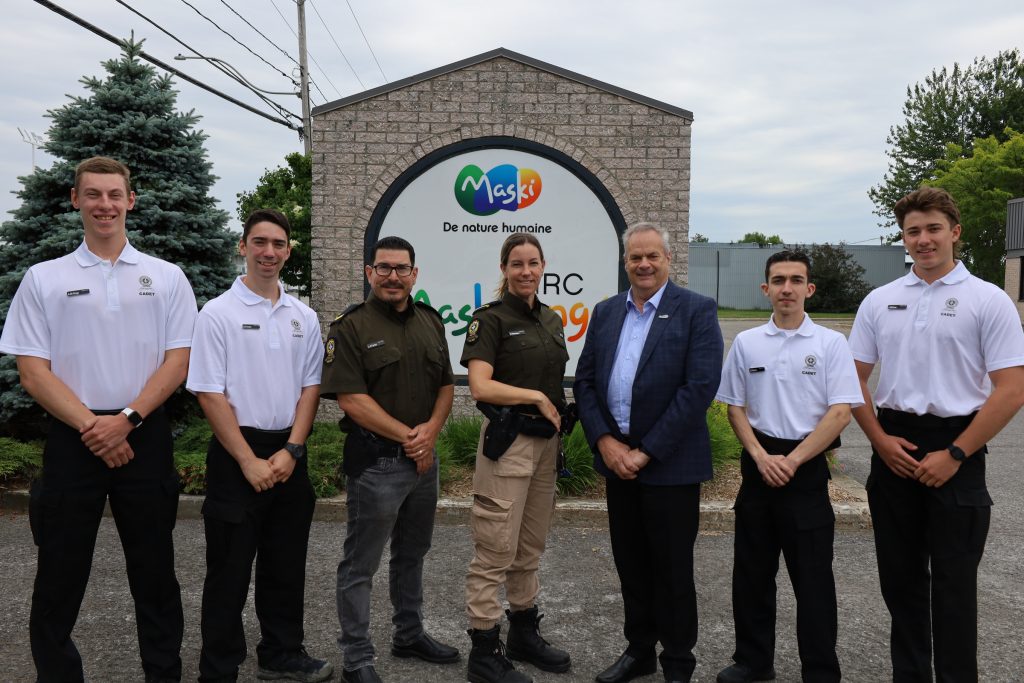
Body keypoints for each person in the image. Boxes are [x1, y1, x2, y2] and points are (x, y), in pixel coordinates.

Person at [0, 156, 196, 683]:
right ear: (75, 200)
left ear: (131, 201)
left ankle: (163, 675)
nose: (104, 205)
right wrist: (95, 426)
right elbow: (33, 372)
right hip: (73, 438)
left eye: (114, 195)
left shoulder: (168, 277)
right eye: (93, 195)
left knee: (155, 576)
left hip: (144, 434)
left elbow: (177, 361)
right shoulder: (45, 278)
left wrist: (127, 418)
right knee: (59, 577)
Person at [848, 187, 1024, 682]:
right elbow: (851, 380)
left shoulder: (987, 300)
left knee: (953, 585)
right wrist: (880, 442)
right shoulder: (881, 301)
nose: (923, 240)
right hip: (895, 447)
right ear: (903, 237)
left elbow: (1011, 390)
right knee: (900, 584)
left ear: (955, 232)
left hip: (958, 447)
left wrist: (956, 453)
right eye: (913, 231)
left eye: (933, 229)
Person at [187, 208, 332, 682]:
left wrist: (292, 450)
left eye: (278, 244)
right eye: (259, 242)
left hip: (288, 452)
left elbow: (311, 387)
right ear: (243, 246)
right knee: (228, 572)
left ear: (288, 251)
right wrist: (248, 460)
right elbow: (209, 391)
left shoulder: (303, 316)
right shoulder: (217, 313)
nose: (268, 252)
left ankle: (282, 652)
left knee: (285, 565)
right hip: (237, 454)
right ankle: (219, 666)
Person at [574, 222, 723, 683]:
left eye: (652, 256)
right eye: (635, 257)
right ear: (625, 263)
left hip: (670, 466)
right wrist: (605, 441)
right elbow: (584, 382)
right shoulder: (604, 313)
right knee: (631, 563)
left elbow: (698, 388)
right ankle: (639, 650)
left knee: (673, 569)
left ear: (667, 259)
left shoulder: (696, 310)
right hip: (618, 462)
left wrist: (646, 452)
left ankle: (678, 662)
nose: (643, 264)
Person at [714, 250, 862, 683]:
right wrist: (761, 457)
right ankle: (753, 662)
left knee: (814, 582)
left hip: (807, 469)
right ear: (766, 289)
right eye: (778, 280)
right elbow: (735, 408)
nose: (787, 288)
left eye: (796, 280)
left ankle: (819, 669)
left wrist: (794, 460)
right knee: (752, 577)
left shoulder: (831, 343)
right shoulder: (747, 342)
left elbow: (840, 412)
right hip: (758, 468)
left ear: (809, 289)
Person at [320, 235, 458, 683]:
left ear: (414, 274)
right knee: (361, 564)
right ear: (370, 273)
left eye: (402, 269)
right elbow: (351, 399)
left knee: (413, 553)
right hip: (377, 464)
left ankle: (409, 633)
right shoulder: (350, 327)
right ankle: (357, 658)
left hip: (422, 463)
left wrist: (430, 433)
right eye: (384, 268)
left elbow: (446, 386)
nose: (393, 276)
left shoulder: (430, 322)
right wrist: (408, 438)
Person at [461, 233, 572, 683]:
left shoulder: (551, 318)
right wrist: (537, 398)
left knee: (530, 546)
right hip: (509, 443)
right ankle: (484, 651)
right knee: (494, 549)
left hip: (545, 446)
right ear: (504, 269)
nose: (526, 271)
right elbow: (481, 385)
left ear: (543, 266)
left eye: (533, 263)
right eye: (516, 264)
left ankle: (524, 631)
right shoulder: (488, 320)